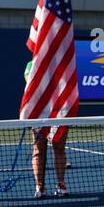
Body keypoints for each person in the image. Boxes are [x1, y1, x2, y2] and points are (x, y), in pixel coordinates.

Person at [23, 58, 69, 197]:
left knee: (59, 148)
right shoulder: (30, 65)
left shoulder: (62, 63)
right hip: (39, 114)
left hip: (59, 112)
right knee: (38, 149)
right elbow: (31, 85)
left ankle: (61, 184)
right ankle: (40, 187)